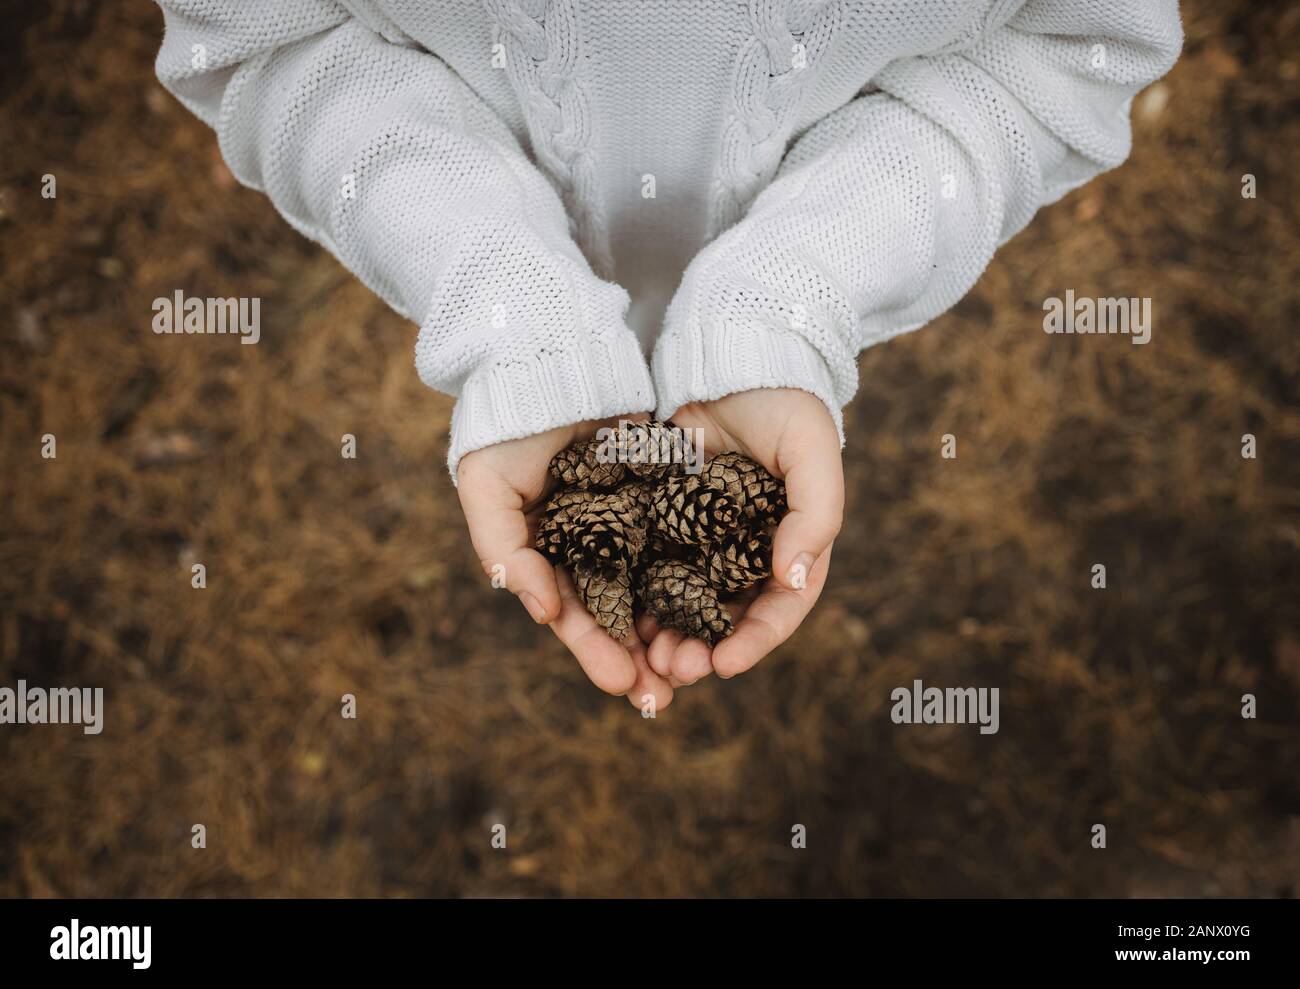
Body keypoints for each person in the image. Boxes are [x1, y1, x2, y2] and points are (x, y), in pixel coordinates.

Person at [152, 0, 1183, 707]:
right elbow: (254, 31)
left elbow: (1081, 40)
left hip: (818, 253)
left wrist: (792, 294)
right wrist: (508, 307)